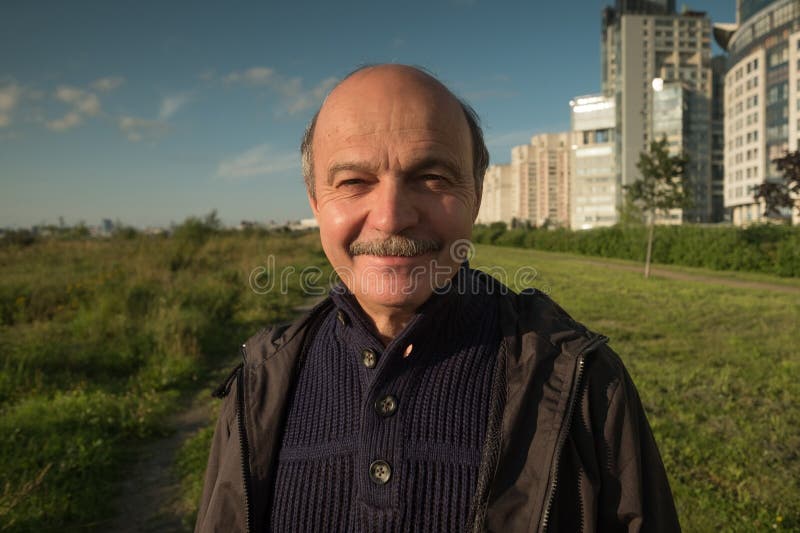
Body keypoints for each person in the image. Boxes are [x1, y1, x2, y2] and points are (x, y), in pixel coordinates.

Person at [195, 64, 680, 532]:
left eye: (432, 178)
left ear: (477, 194)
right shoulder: (260, 383)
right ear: (315, 201)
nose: (391, 217)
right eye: (353, 182)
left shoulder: (585, 382)